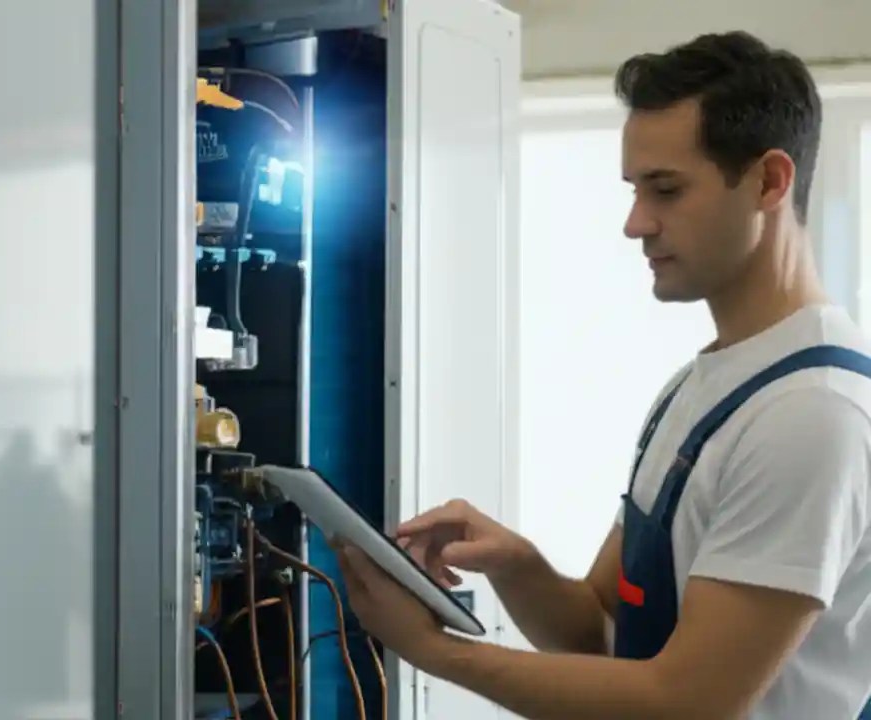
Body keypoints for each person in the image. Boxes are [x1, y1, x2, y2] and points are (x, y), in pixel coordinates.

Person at [333, 30, 871, 719]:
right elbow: (597, 630)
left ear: (769, 181)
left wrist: (438, 652)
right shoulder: (704, 386)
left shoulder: (811, 413)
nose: (635, 223)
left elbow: (690, 702)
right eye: (635, 188)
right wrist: (515, 564)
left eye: (667, 190)